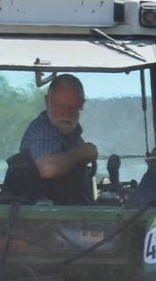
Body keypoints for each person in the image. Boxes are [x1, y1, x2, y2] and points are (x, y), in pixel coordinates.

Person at [7, 73, 98, 204]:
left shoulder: (72, 135)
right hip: (41, 213)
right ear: (47, 102)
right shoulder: (42, 131)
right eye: (60, 106)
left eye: (72, 108)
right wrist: (82, 152)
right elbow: (48, 169)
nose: (66, 113)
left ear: (81, 105)